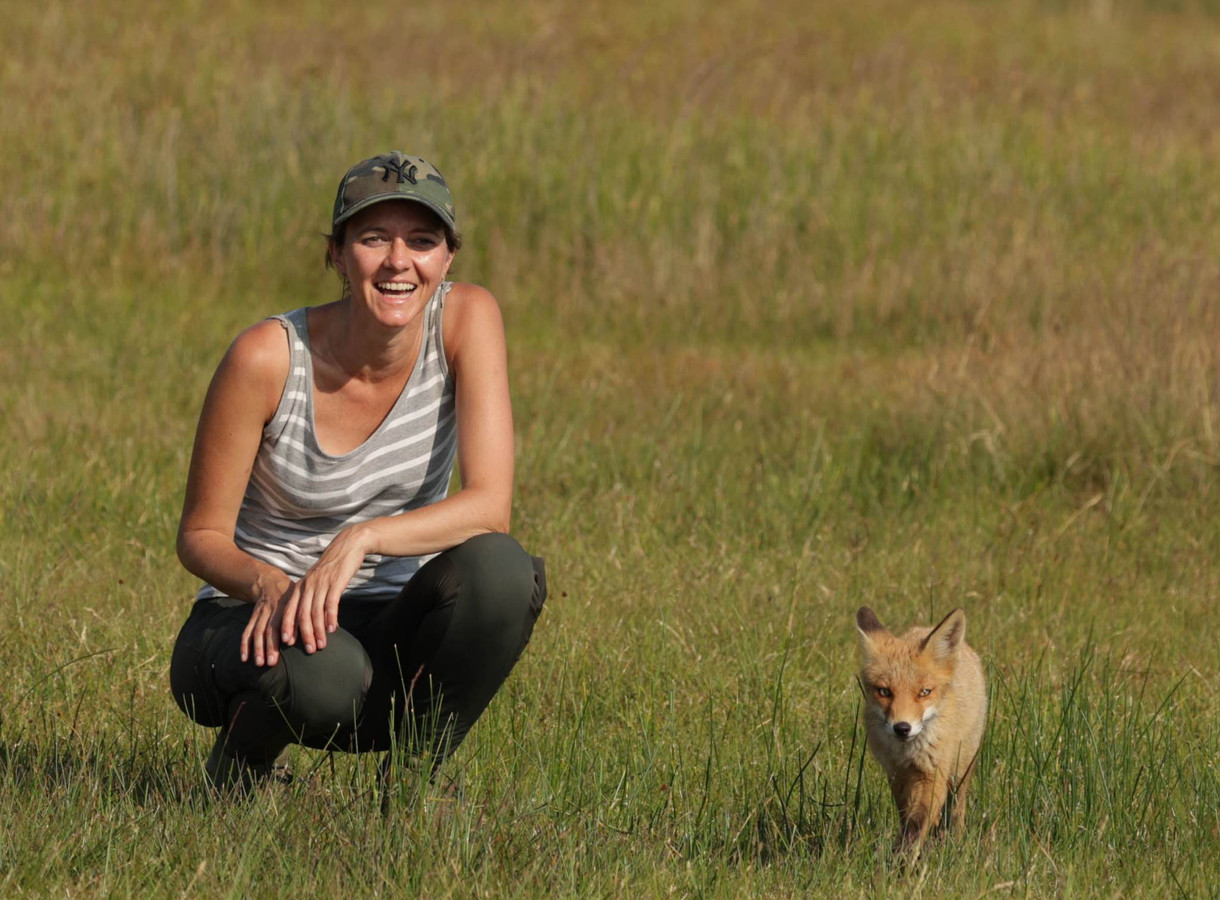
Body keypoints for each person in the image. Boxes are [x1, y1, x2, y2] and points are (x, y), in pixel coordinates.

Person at [169, 151, 546, 793]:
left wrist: (362, 539)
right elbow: (199, 537)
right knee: (330, 678)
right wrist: (270, 585)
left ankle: (414, 786)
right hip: (255, 617)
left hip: (385, 612)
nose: (399, 261)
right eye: (374, 238)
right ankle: (240, 765)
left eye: (422, 241)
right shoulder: (266, 357)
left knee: (505, 572)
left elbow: (490, 508)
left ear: (447, 259)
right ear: (338, 255)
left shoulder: (467, 319)